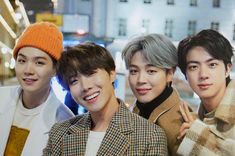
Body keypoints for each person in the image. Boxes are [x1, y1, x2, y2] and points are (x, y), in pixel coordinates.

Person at [43, 42, 168, 155]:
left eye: (90, 73)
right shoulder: (60, 133)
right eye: (74, 81)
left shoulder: (150, 136)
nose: (85, 86)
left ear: (112, 74)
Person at [0, 22, 74, 156]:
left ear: (55, 69)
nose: (28, 70)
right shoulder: (1, 97)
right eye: (22, 61)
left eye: (39, 62)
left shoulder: (65, 122)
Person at [122, 33, 189, 155]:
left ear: (170, 73)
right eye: (134, 71)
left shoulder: (181, 121)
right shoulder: (137, 109)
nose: (141, 79)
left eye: (151, 71)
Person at [176, 29, 235, 155]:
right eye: (193, 67)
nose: (203, 75)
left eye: (212, 65)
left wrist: (199, 137)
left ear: (227, 69)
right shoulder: (195, 118)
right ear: (185, 74)